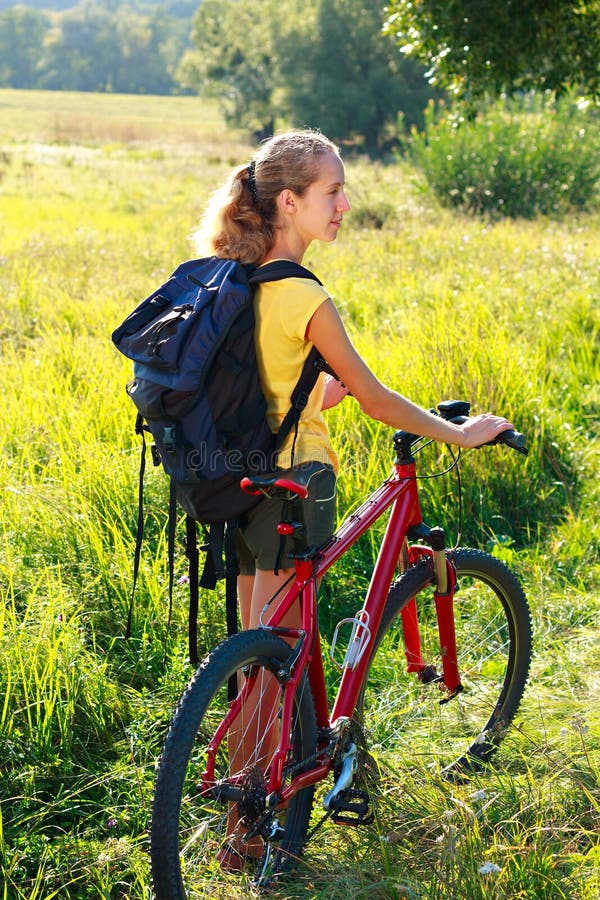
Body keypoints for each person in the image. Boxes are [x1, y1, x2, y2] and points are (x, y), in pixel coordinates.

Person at [194, 129, 513, 869]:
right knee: (274, 673)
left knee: (253, 663)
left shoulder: (231, 279)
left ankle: (246, 836)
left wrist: (314, 397)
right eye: (332, 193)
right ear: (289, 202)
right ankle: (253, 837)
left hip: (232, 482)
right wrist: (457, 435)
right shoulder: (304, 292)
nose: (343, 206)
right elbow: (378, 399)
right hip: (292, 486)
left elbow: (263, 388)